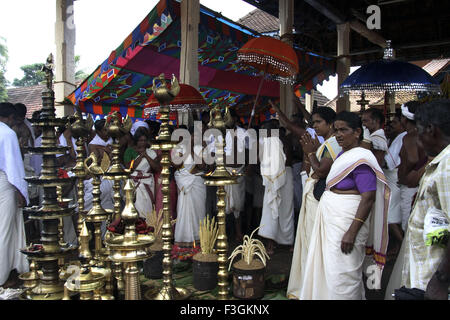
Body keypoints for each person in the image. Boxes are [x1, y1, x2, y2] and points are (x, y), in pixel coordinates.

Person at [299, 111, 389, 300]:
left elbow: (368, 197)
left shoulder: (361, 159)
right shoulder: (343, 154)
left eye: (344, 130)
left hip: (347, 224)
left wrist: (352, 231)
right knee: (330, 272)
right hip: (334, 220)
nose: (338, 134)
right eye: (336, 130)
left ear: (357, 132)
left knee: (343, 276)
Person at [387, 100, 450, 300]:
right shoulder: (440, 162)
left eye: (419, 131)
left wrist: (440, 280)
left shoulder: (447, 166)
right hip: (426, 271)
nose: (418, 141)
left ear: (431, 129)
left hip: (433, 278)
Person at [287, 106, 342, 299]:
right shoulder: (327, 142)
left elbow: (320, 171)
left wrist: (309, 153)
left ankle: (313, 288)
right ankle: (309, 285)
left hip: (318, 199)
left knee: (313, 242)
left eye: (319, 122)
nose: (315, 126)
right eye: (313, 123)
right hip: (315, 196)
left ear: (331, 124)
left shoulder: (332, 144)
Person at [0, 102, 29, 288]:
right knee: (5, 230)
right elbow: (13, 167)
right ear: (10, 118)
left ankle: (10, 269)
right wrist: (21, 191)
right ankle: (2, 276)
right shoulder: (8, 133)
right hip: (5, 182)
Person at [258, 120, 295, 255]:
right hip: (272, 178)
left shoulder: (282, 141)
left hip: (283, 176)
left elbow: (287, 160)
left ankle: (285, 241)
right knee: (273, 209)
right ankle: (272, 242)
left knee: (284, 209)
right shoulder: (269, 143)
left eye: (265, 131)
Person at [172, 129, 207, 251]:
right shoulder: (179, 148)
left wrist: (192, 150)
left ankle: (199, 241)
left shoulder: (201, 148)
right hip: (184, 181)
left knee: (199, 210)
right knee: (184, 211)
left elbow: (202, 166)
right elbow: (175, 164)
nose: (195, 138)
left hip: (197, 182)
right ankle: (184, 240)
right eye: (193, 136)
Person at [397, 101, 427, 232]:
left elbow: (413, 159)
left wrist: (407, 174)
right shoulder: (423, 134)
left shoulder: (410, 137)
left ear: (404, 118)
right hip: (419, 182)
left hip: (410, 185)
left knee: (408, 224)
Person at [124, 126, 161, 220]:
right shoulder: (130, 151)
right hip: (134, 183)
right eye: (140, 140)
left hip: (147, 182)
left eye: (145, 140)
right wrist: (141, 156)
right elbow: (130, 168)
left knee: (147, 208)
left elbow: (157, 168)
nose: (143, 143)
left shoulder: (151, 152)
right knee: (135, 208)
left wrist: (147, 156)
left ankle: (147, 228)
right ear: (136, 140)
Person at [384, 109, 407, 258]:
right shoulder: (396, 138)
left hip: (394, 179)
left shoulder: (402, 138)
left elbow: (388, 162)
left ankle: (404, 246)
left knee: (391, 217)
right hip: (394, 179)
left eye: (395, 123)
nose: (391, 125)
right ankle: (400, 246)